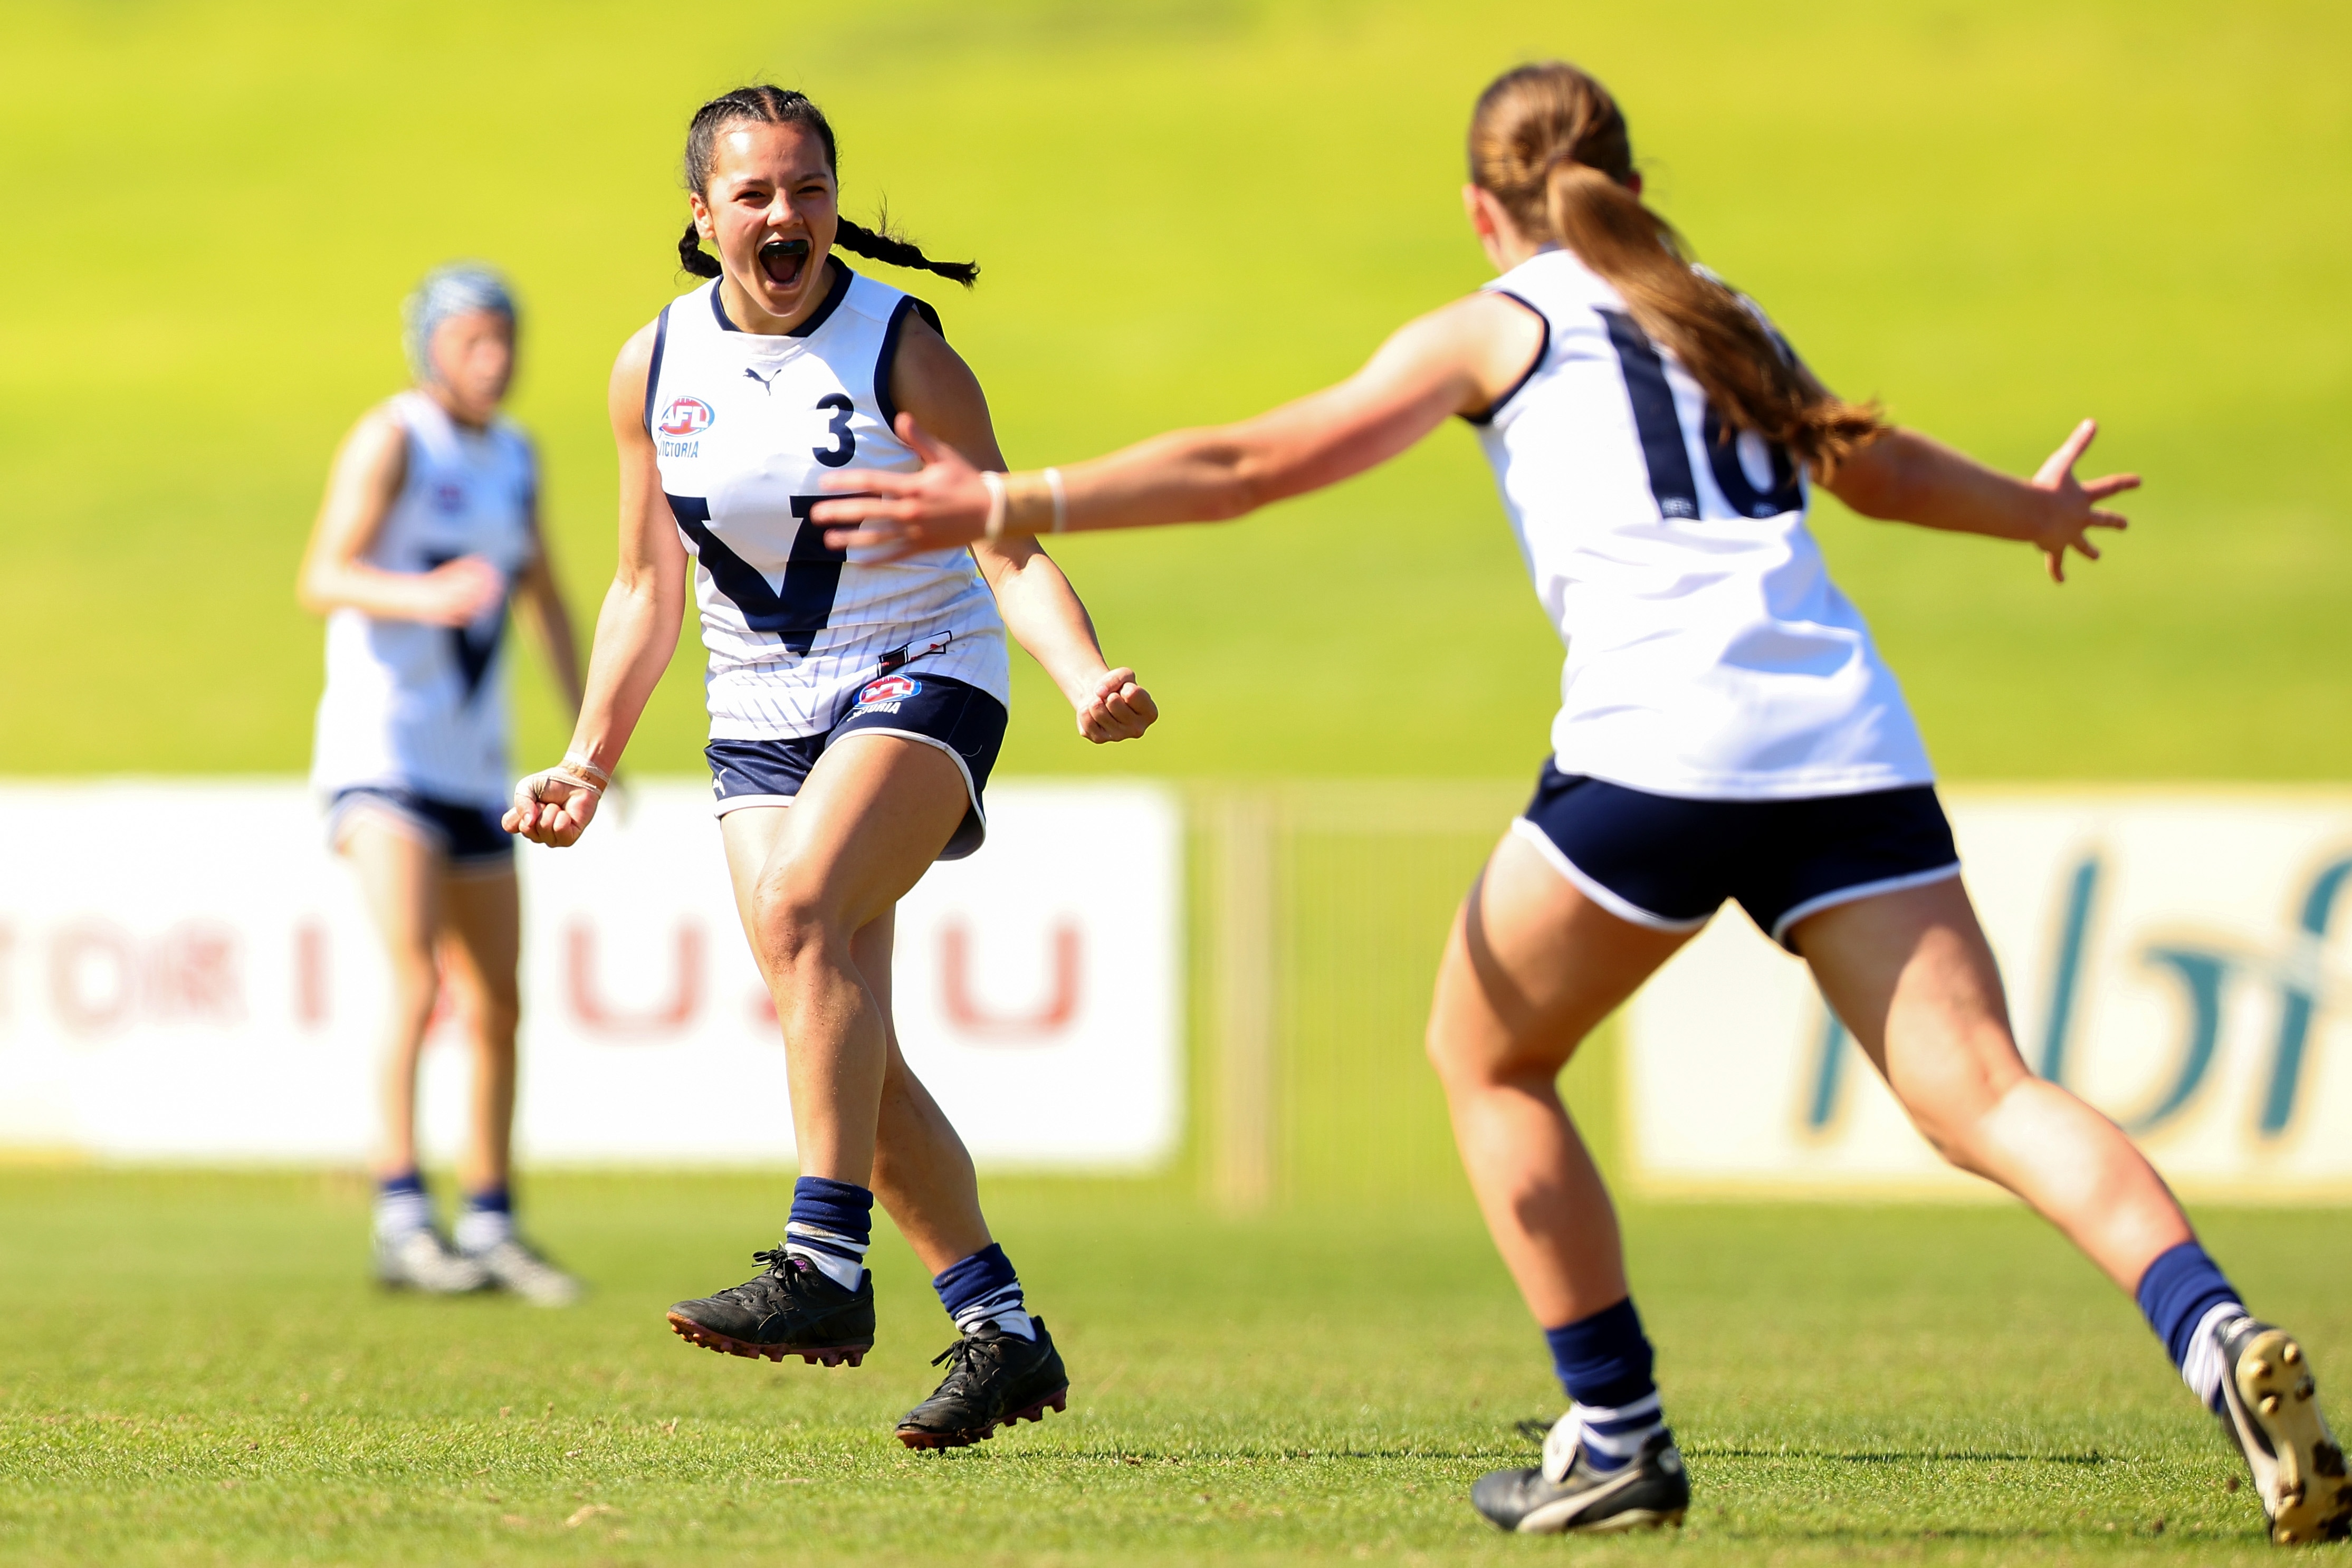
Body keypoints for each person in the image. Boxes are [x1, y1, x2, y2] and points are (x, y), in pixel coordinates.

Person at [810, 60, 2349, 1544]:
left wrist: (1014, 500)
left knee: (1485, 1052)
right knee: (1989, 1094)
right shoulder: (1719, 308)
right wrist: (2031, 509)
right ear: (1626, 175)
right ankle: (2213, 1332)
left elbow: (1254, 464)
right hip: (1842, 736)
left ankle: (1615, 1432)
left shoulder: (1501, 323)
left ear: (1485, 210)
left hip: (1662, 745)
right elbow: (1862, 465)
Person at [504, 87, 1156, 1449]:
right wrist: (586, 755)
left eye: (807, 189)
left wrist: (1084, 671)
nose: (785, 216)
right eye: (754, 194)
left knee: (800, 920)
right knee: (835, 1027)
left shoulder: (900, 346)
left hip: (923, 672)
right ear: (703, 216)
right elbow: (641, 583)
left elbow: (1008, 544)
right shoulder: (653, 362)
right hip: (757, 712)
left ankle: (824, 1265)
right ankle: (1000, 1329)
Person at [298, 264, 587, 1306]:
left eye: (507, 340)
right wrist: (424, 595)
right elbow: (321, 575)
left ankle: (495, 1218)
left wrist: (594, 733)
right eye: (475, 341)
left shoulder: (514, 457)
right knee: (417, 979)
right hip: (384, 753)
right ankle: (402, 1214)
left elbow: (547, 594)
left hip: (474, 763)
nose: (496, 360)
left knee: (500, 996)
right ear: (433, 348)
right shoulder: (393, 439)